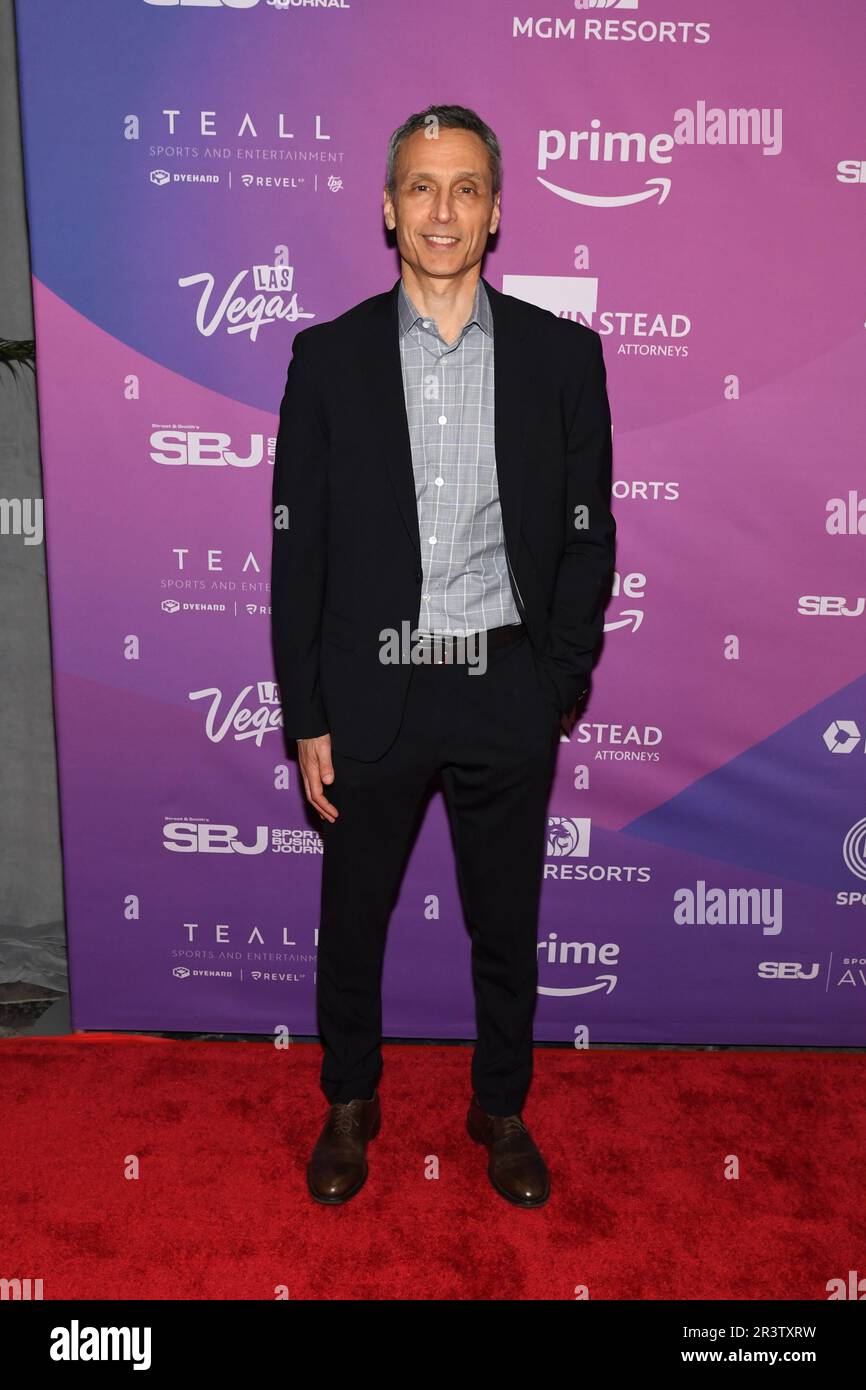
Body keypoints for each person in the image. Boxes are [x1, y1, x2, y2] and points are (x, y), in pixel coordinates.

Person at [271, 103, 616, 1207]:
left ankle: (499, 1106)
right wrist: (306, 713)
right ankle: (349, 1099)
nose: (441, 209)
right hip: (371, 686)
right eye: (420, 186)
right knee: (350, 918)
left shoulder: (562, 359)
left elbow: (585, 533)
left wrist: (554, 682)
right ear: (386, 207)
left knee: (505, 921)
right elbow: (297, 550)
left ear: (496, 212)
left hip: (503, 686)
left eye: (465, 187)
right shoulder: (326, 361)